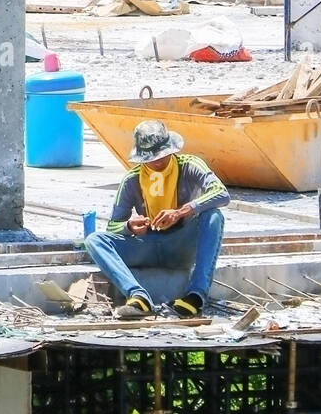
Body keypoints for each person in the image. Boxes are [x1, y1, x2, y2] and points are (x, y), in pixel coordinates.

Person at [84, 119, 229, 320]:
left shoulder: (190, 165)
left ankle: (195, 297)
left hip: (181, 244)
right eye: (151, 158)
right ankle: (138, 296)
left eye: (162, 156)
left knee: (213, 216)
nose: (158, 162)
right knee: (94, 240)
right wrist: (129, 226)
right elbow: (113, 225)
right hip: (148, 245)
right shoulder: (131, 179)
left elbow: (221, 193)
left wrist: (181, 212)